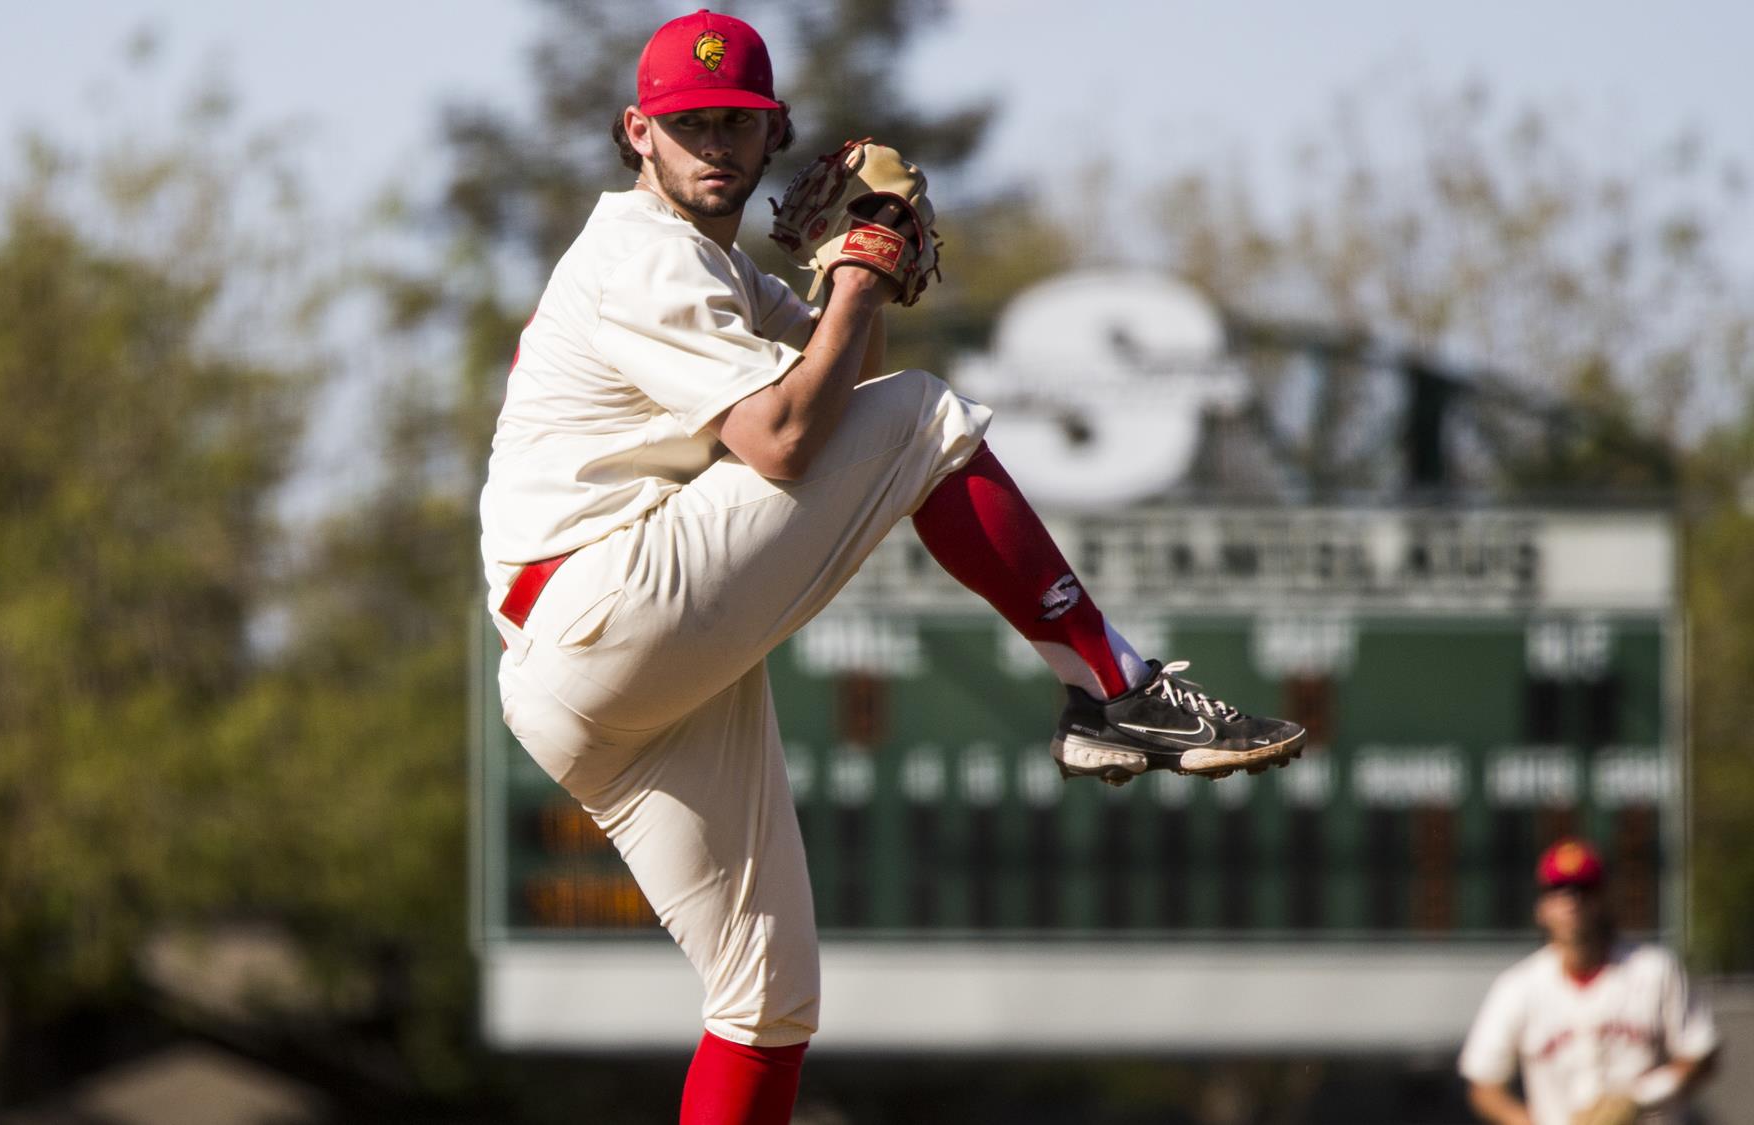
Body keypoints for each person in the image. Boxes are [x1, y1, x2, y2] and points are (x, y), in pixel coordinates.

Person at [476, 9, 1305, 1122]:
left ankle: (1109, 697)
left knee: (764, 999)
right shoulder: (642, 253)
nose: (714, 145)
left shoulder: (704, 262)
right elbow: (786, 441)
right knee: (926, 414)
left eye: (737, 123)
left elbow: (840, 389)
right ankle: (1114, 690)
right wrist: (860, 274)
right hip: (599, 604)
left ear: (771, 136)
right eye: (688, 125)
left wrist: (846, 270)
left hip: (596, 668)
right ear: (638, 134)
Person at [1460, 838, 1720, 1125]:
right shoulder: (1519, 986)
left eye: (1584, 889)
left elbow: (1701, 1055)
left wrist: (1640, 1097)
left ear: (1606, 898)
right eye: (1558, 891)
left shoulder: (1655, 970)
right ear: (1542, 907)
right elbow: (1484, 1085)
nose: (1572, 902)